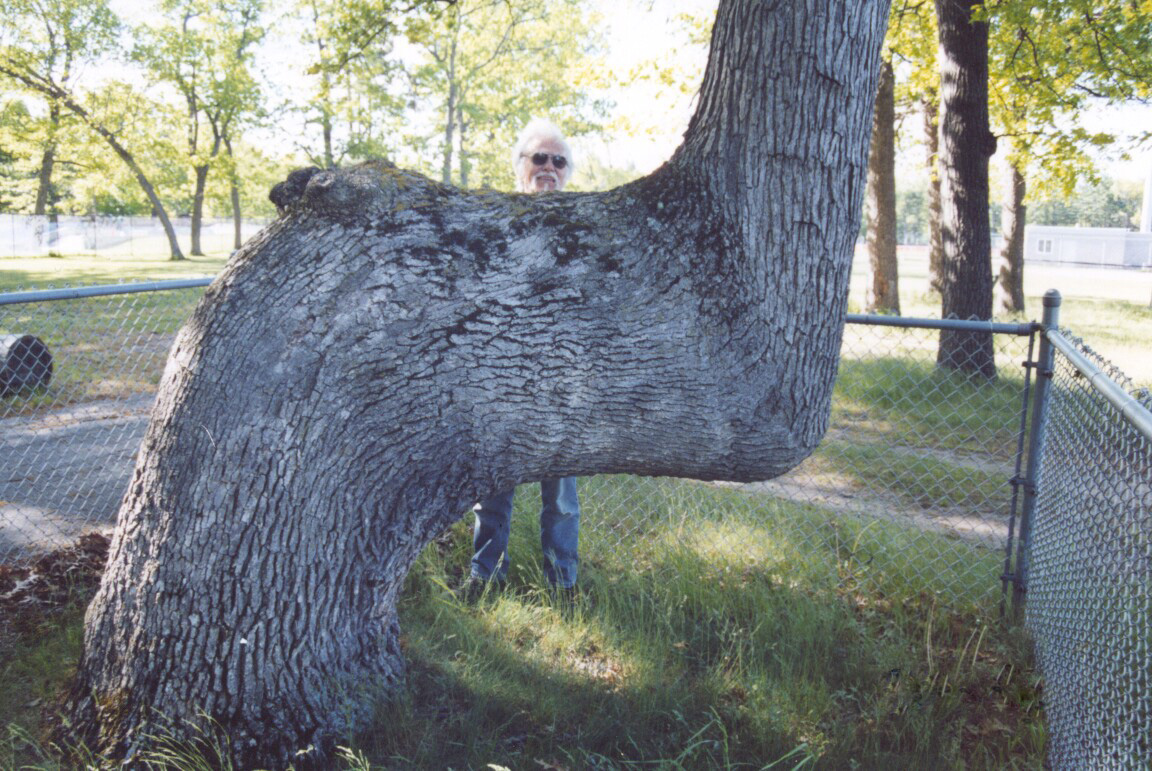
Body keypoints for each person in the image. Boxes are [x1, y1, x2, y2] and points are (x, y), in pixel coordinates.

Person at [463, 119, 582, 598]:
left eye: (559, 161)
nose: (549, 168)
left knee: (562, 499)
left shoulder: (583, 228)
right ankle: (484, 577)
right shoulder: (496, 222)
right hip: (503, 385)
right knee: (493, 493)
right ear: (521, 166)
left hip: (562, 388)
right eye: (539, 158)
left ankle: (563, 583)